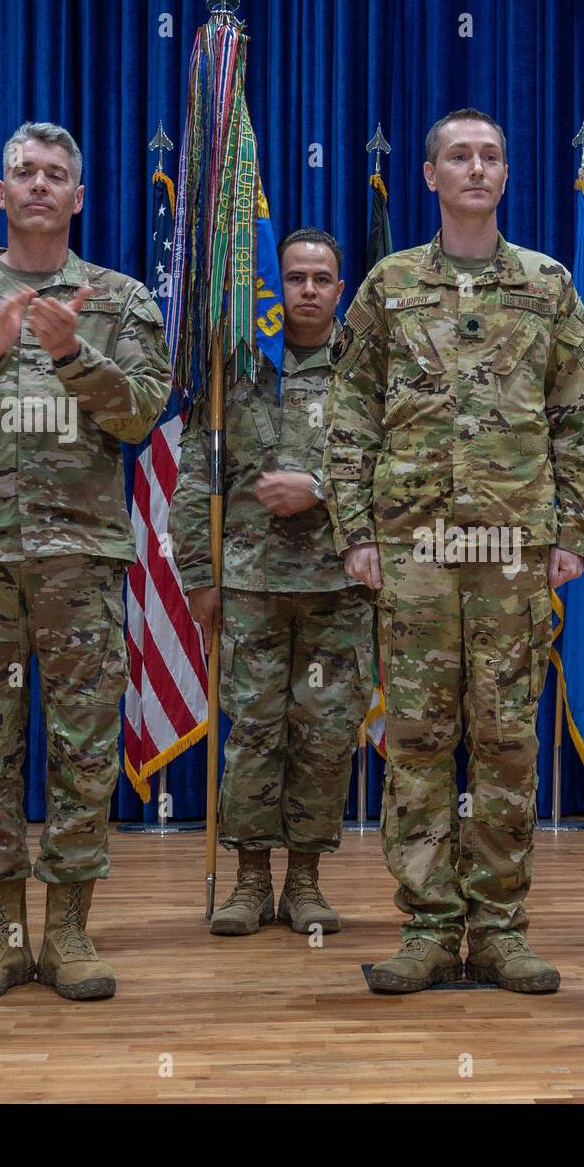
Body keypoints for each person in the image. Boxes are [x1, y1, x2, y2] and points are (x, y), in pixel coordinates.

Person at [325, 108, 584, 993]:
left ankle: (500, 927)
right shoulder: (388, 286)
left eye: (490, 154)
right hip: (411, 550)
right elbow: (349, 414)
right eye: (459, 155)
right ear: (430, 175)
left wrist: (574, 532)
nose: (476, 168)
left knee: (506, 740)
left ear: (507, 174)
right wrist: (356, 534)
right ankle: (428, 928)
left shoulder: (548, 285)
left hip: (514, 550)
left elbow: (577, 415)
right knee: (413, 741)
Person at [0, 121, 170, 1001]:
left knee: (84, 751)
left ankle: (71, 934)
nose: (40, 185)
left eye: (57, 174)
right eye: (25, 172)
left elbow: (140, 417)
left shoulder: (120, 301)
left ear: (79, 197)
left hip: (80, 564)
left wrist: (66, 350)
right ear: (1, 192)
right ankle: (0, 936)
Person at [173, 228, 370, 939]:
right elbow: (198, 479)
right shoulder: (237, 366)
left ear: (341, 288)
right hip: (250, 585)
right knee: (253, 735)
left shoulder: (366, 366)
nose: (308, 290)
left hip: (338, 589)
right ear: (274, 285)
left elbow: (399, 471)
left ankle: (307, 881)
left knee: (323, 736)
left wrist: (320, 490)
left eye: (322, 277)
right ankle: (251, 879)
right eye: (295, 277)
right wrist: (198, 575)